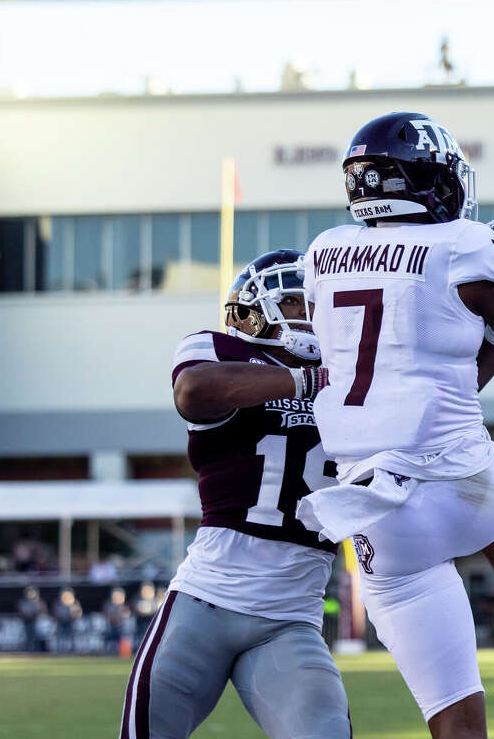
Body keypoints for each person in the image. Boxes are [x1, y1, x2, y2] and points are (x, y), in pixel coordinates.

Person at [296, 112, 494, 738]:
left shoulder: (322, 254)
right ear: (432, 179)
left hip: (371, 510)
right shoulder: (465, 246)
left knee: (455, 720)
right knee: (487, 457)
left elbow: (407, 358)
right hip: (464, 488)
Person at [119, 250, 349, 739]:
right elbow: (193, 390)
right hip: (206, 601)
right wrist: (308, 382)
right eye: (293, 301)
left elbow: (442, 395)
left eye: (314, 301)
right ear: (253, 310)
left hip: (291, 616)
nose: (307, 312)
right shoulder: (221, 351)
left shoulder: (352, 375)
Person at [17, 585, 47, 652]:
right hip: (26, 621)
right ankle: (28, 650)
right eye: (28, 592)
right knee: (28, 637)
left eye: (31, 592)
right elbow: (20, 612)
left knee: (37, 636)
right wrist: (27, 615)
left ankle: (37, 650)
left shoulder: (39, 602)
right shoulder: (23, 602)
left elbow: (43, 611)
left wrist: (35, 614)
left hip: (37, 621)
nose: (30, 594)